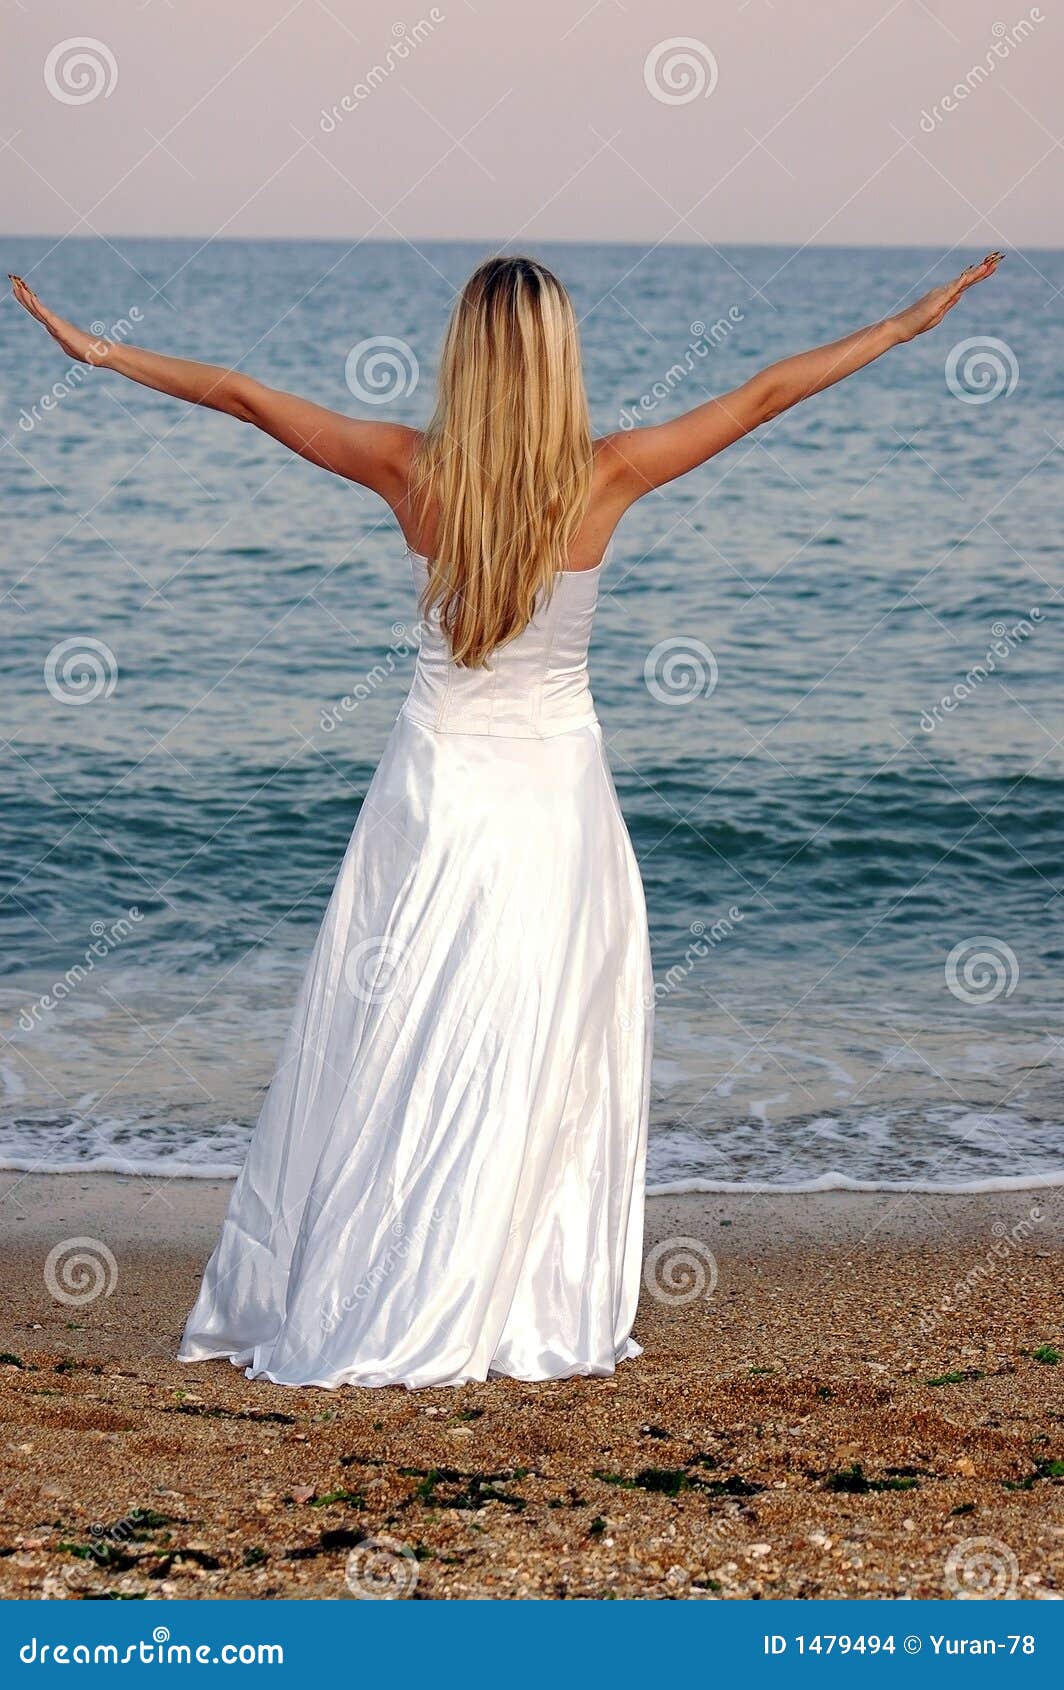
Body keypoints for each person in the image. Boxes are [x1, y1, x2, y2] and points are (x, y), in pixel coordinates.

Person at [10, 249, 1003, 1388]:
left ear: (465, 360)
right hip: (554, 803)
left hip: (433, 792)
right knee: (536, 1042)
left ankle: (384, 1275)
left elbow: (240, 394)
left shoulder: (406, 468)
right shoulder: (610, 474)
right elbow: (768, 391)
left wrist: (98, 350)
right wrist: (901, 325)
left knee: (401, 1034)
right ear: (559, 360)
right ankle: (518, 1292)